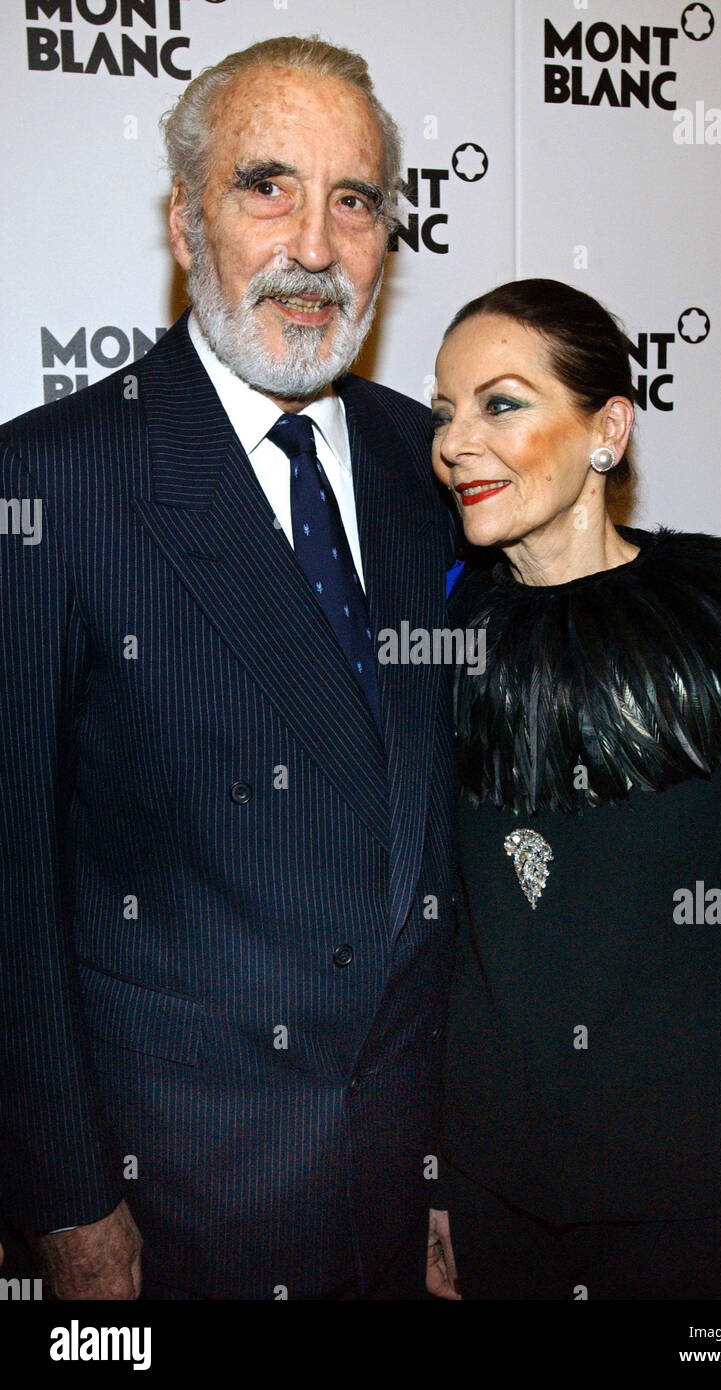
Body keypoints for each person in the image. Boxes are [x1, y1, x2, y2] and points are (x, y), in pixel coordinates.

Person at [0, 36, 456, 1300]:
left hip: (409, 1187)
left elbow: (451, 850)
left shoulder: (439, 474)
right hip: (175, 1211)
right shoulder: (53, 482)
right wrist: (69, 1209)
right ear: (186, 225)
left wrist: (458, 1170)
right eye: (270, 187)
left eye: (355, 201)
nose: (315, 245)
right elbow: (12, 896)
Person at [425, 278, 721, 1300]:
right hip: (500, 1195)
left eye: (501, 403)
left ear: (607, 428)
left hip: (703, 1199)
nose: (456, 441)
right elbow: (443, 944)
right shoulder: (441, 643)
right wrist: (438, 1176)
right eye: (445, 411)